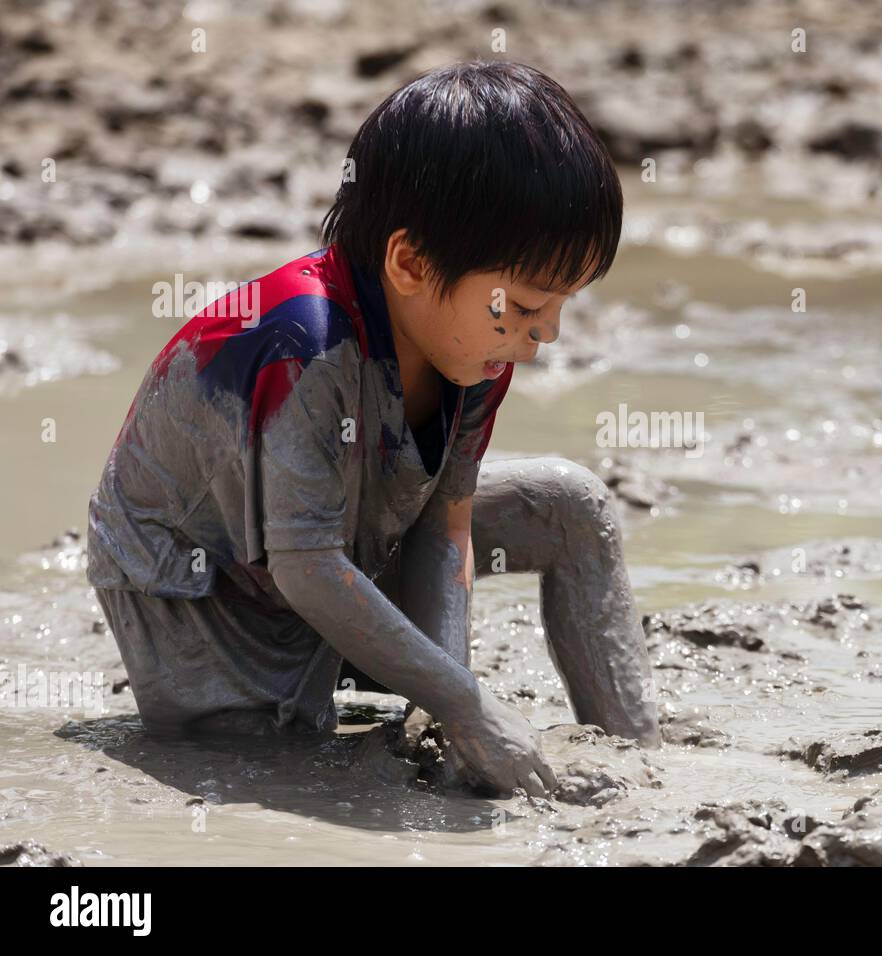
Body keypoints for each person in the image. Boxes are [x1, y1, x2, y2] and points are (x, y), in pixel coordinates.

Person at [85, 61, 659, 798]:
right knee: (280, 768)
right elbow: (307, 567)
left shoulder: (479, 350)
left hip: (350, 536)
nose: (543, 334)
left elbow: (442, 531)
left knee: (570, 506)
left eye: (559, 306)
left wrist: (448, 709)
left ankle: (643, 756)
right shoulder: (303, 340)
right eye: (521, 307)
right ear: (410, 263)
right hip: (208, 589)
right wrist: (469, 705)